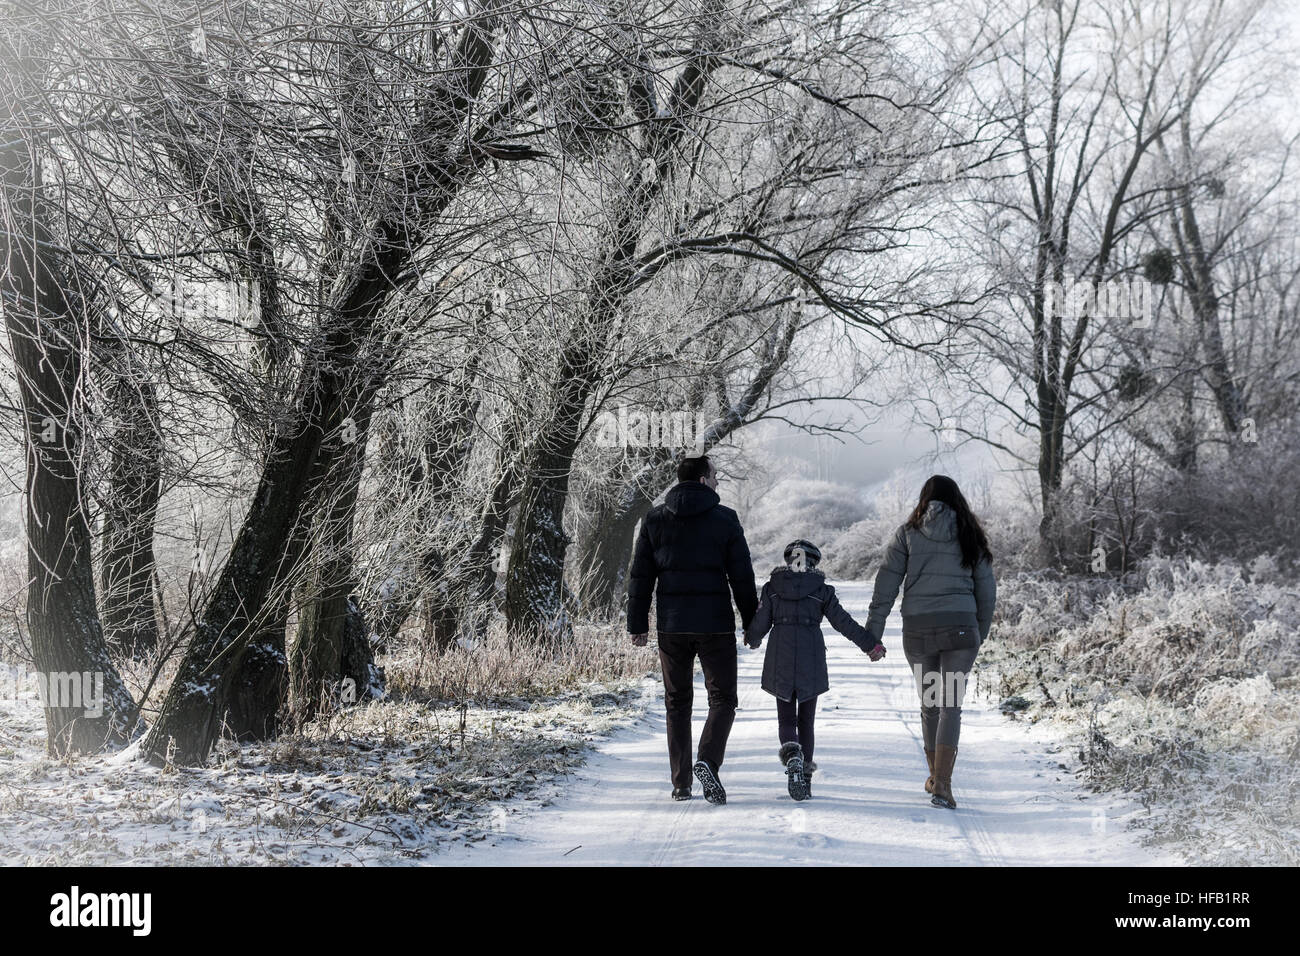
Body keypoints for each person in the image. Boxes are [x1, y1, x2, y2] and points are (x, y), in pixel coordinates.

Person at [627, 455, 758, 804]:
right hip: (715, 625)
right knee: (723, 698)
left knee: (677, 701)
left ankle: (681, 783)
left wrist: (638, 624)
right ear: (702, 481)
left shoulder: (654, 519)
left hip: (672, 626)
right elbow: (742, 576)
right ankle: (708, 760)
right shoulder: (726, 519)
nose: (717, 483)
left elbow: (640, 577)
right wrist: (752, 622)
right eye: (715, 477)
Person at [864, 475, 996, 809]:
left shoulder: (907, 534)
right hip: (961, 632)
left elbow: (886, 585)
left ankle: (936, 779)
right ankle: (943, 786)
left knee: (931, 703)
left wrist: (872, 633)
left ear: (925, 500)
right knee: (951, 705)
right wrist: (979, 631)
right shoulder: (971, 536)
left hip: (920, 631)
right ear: (957, 500)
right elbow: (987, 592)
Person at [745, 539, 885, 801]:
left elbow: (760, 623)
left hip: (780, 653)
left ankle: (792, 758)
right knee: (806, 720)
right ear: (813, 562)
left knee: (786, 718)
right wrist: (870, 645)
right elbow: (844, 623)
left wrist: (752, 638)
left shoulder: (772, 588)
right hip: (811, 654)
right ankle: (805, 780)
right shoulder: (821, 590)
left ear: (789, 560)